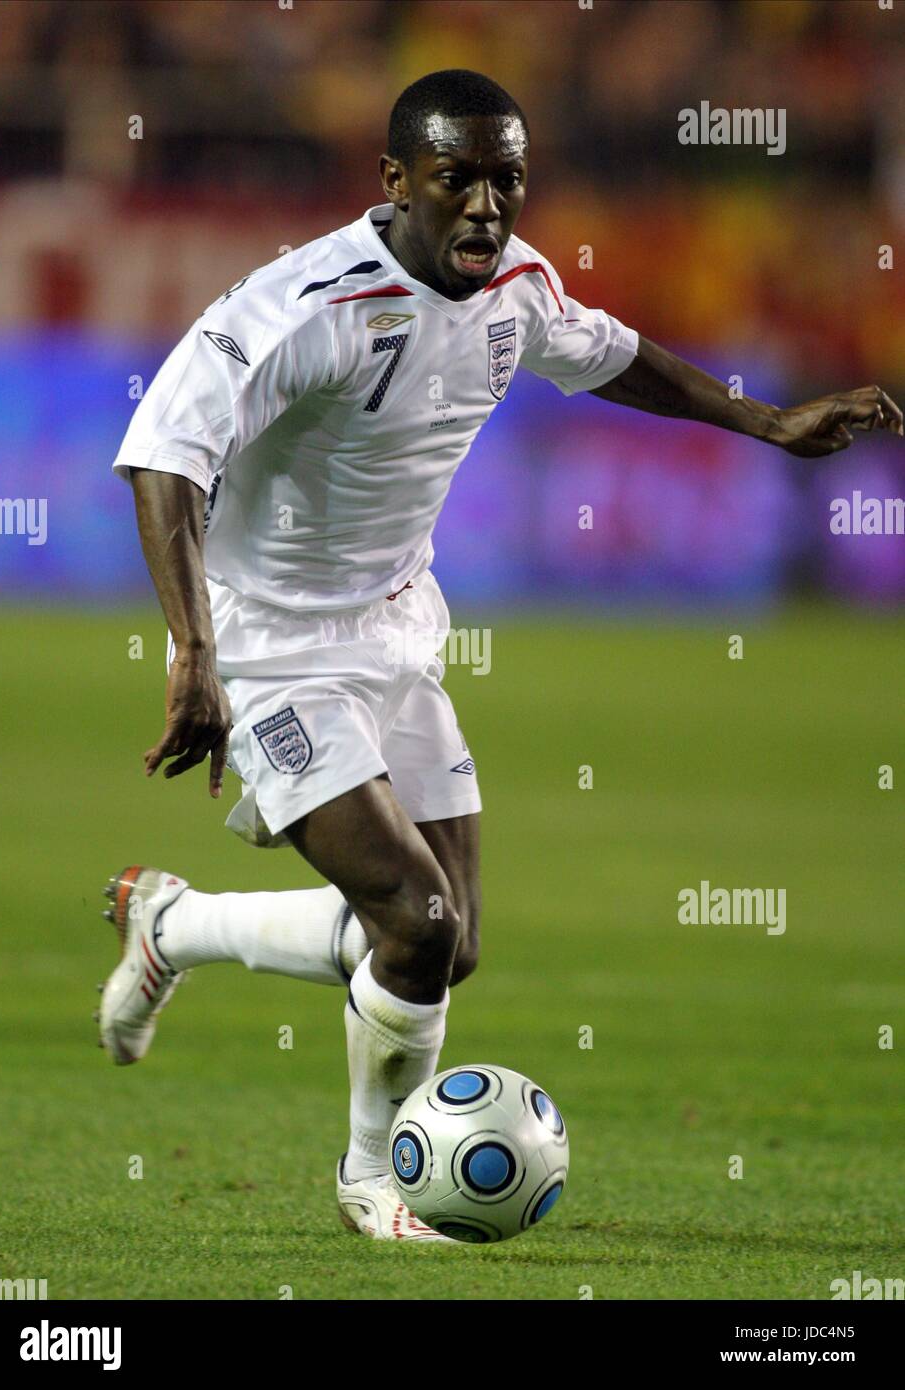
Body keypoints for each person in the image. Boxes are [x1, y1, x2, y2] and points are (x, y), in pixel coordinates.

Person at [99, 68, 903, 1241]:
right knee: (412, 921)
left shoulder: (516, 290)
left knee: (444, 945)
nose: (485, 205)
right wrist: (194, 651)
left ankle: (169, 926)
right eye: (456, 178)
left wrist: (766, 423)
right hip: (271, 647)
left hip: (397, 630)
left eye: (506, 179)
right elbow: (163, 455)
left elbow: (614, 354)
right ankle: (370, 1178)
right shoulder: (302, 304)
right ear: (395, 182)